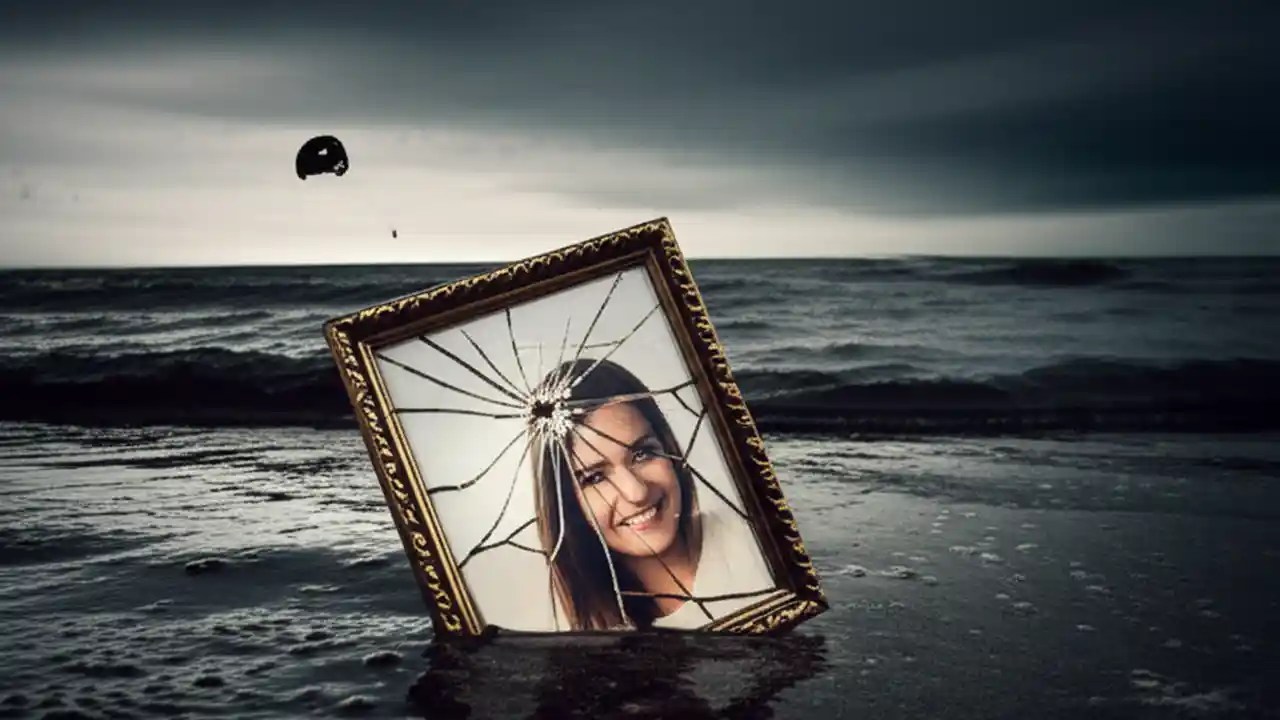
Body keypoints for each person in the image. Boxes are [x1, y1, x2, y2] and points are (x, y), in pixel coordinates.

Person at [529, 357, 773, 631]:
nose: (636, 492)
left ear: (668, 448)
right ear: (567, 502)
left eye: (642, 454)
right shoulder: (575, 634)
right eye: (595, 478)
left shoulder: (757, 540)